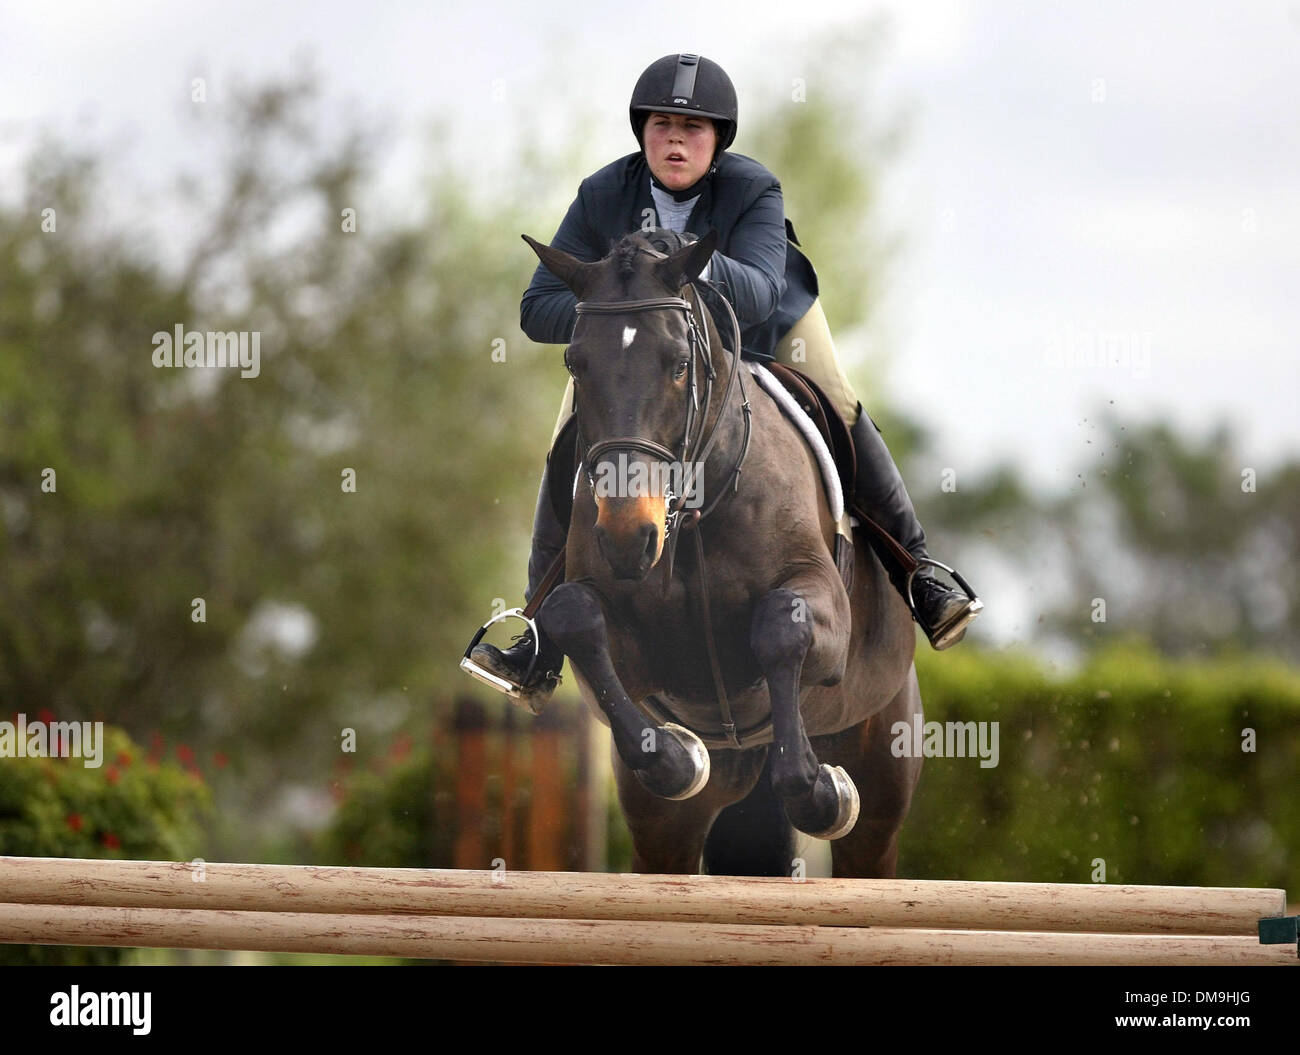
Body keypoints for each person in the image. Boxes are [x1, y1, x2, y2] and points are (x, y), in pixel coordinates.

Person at [469, 53, 981, 709]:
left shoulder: (752, 189)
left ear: (718, 139)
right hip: (644, 351)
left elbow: (764, 291)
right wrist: (621, 315)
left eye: (694, 127)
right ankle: (537, 635)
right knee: (570, 430)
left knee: (841, 404)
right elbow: (536, 308)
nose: (676, 139)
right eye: (661, 125)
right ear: (641, 132)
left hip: (769, 328)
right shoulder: (602, 193)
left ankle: (919, 575)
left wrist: (682, 278)